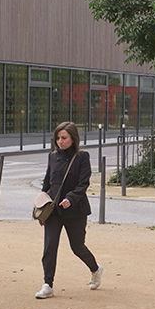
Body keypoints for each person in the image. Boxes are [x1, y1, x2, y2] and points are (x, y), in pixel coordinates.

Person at [36, 121, 102, 299]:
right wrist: (41, 209)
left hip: (75, 211)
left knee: (77, 247)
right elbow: (47, 184)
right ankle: (47, 284)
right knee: (50, 247)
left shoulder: (82, 157)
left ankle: (95, 269)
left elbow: (83, 183)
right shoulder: (52, 156)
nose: (60, 141)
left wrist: (71, 198)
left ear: (73, 139)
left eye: (64, 138)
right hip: (54, 211)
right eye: (57, 138)